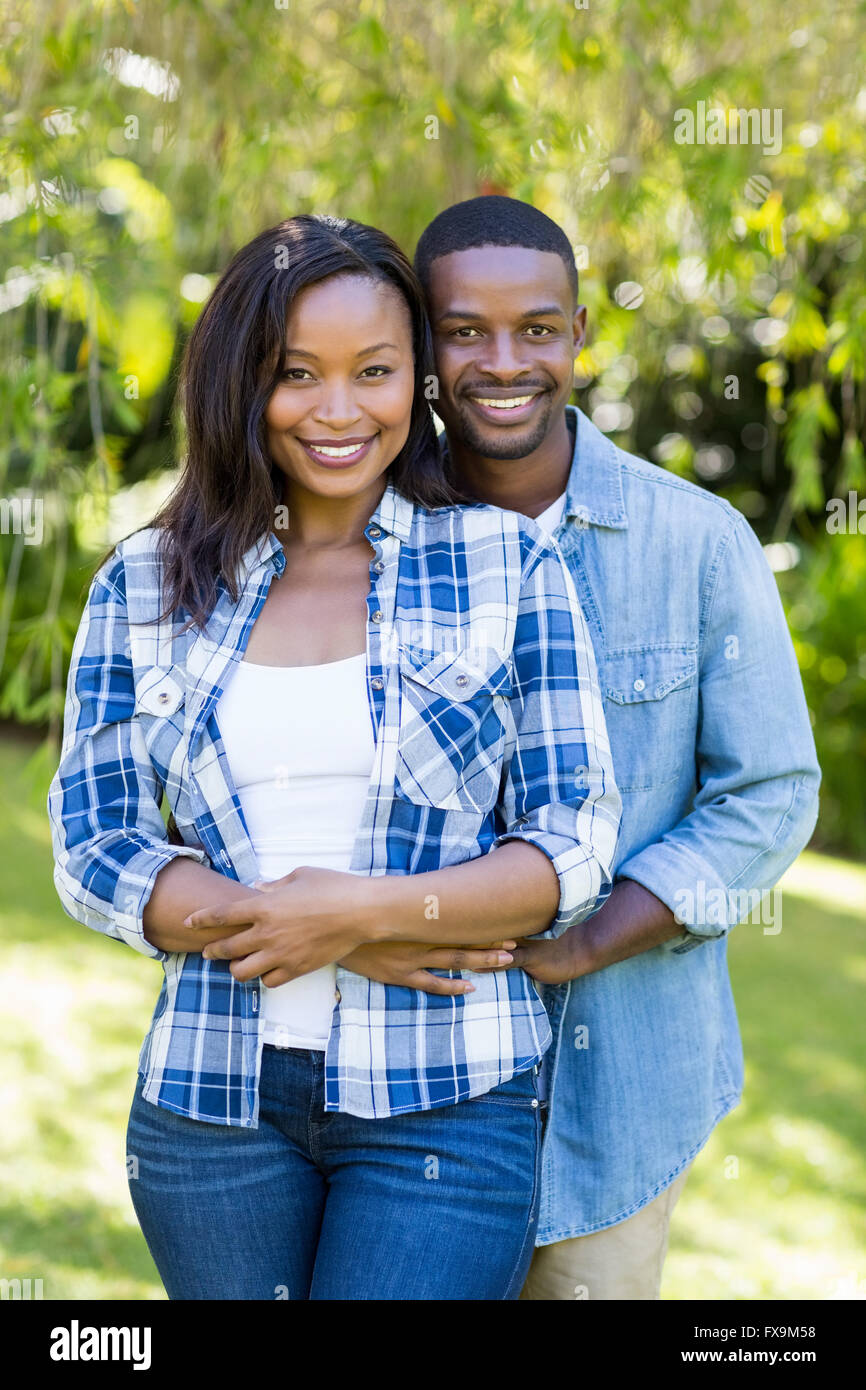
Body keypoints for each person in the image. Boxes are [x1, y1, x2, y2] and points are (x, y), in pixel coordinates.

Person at [47, 213, 621, 1301]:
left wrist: (360, 912)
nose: (339, 409)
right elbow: (93, 843)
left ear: (420, 381)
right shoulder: (143, 582)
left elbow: (572, 844)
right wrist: (317, 932)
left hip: (446, 1097)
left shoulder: (507, 563)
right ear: (238, 381)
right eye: (295, 373)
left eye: (375, 371)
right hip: (211, 1102)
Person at [345, 195, 821, 1299]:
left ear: (579, 336)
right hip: (393, 1087)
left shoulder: (697, 543)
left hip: (619, 1095)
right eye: (463, 332)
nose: (503, 361)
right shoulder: (359, 538)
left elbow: (768, 790)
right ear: (422, 345)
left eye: (538, 328)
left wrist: (587, 938)